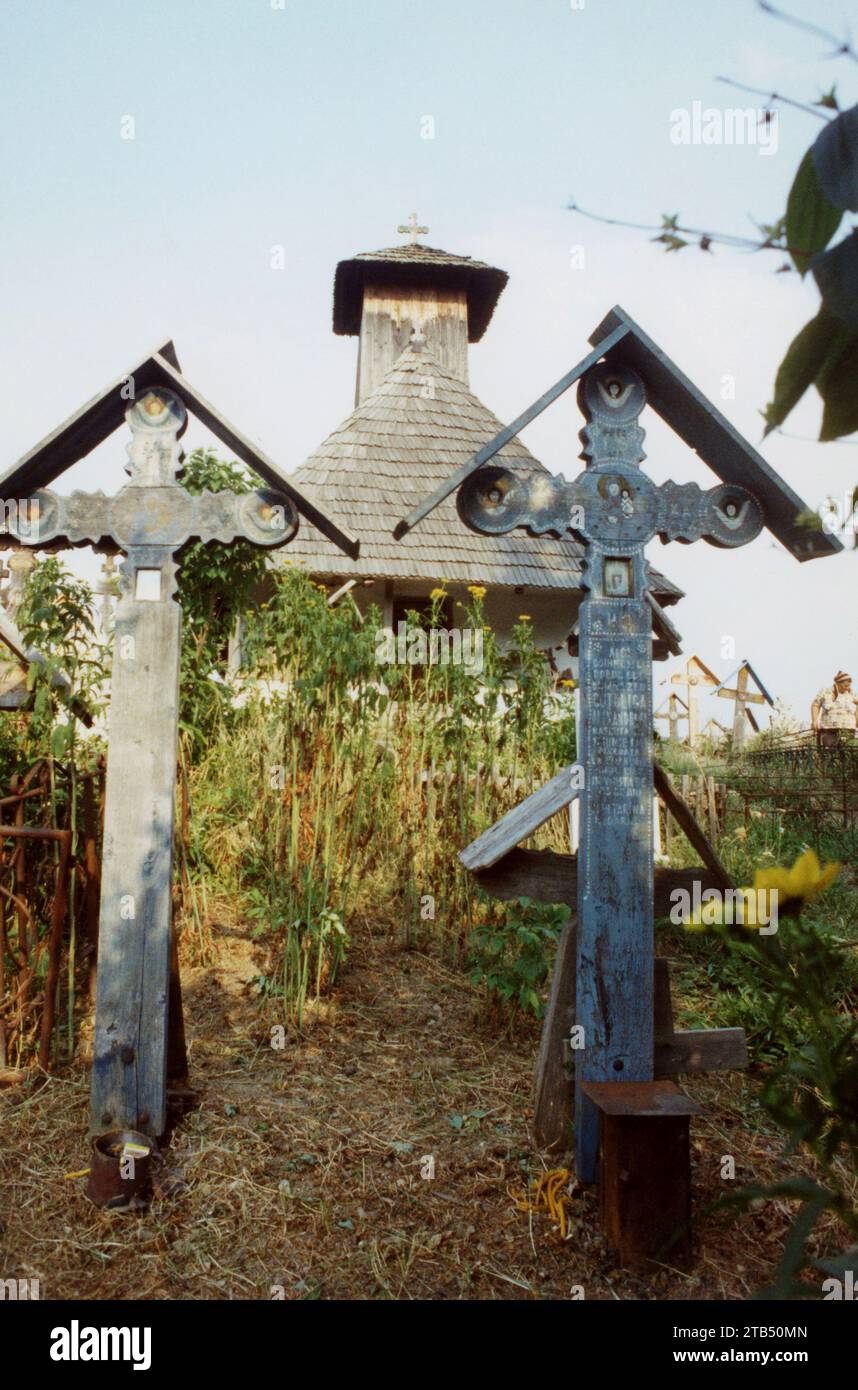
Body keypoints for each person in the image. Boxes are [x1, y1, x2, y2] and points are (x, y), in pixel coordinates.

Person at [811, 671, 858, 748]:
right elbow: (815, 705)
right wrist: (814, 720)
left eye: (849, 681)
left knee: (847, 754)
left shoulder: (853, 694)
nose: (847, 683)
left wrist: (856, 720)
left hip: (848, 730)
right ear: (837, 683)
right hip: (828, 730)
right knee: (829, 754)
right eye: (844, 681)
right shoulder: (826, 691)